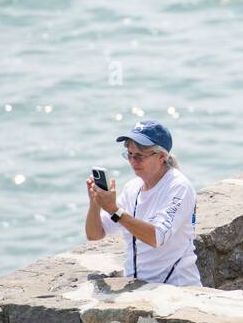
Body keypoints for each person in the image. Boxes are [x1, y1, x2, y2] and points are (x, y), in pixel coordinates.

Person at [85, 119, 201, 286]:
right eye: (129, 155)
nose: (133, 161)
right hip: (140, 289)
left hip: (176, 289)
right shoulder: (132, 188)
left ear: (162, 157)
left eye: (139, 156)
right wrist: (95, 204)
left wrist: (114, 210)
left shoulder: (179, 187)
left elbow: (156, 237)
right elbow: (94, 234)